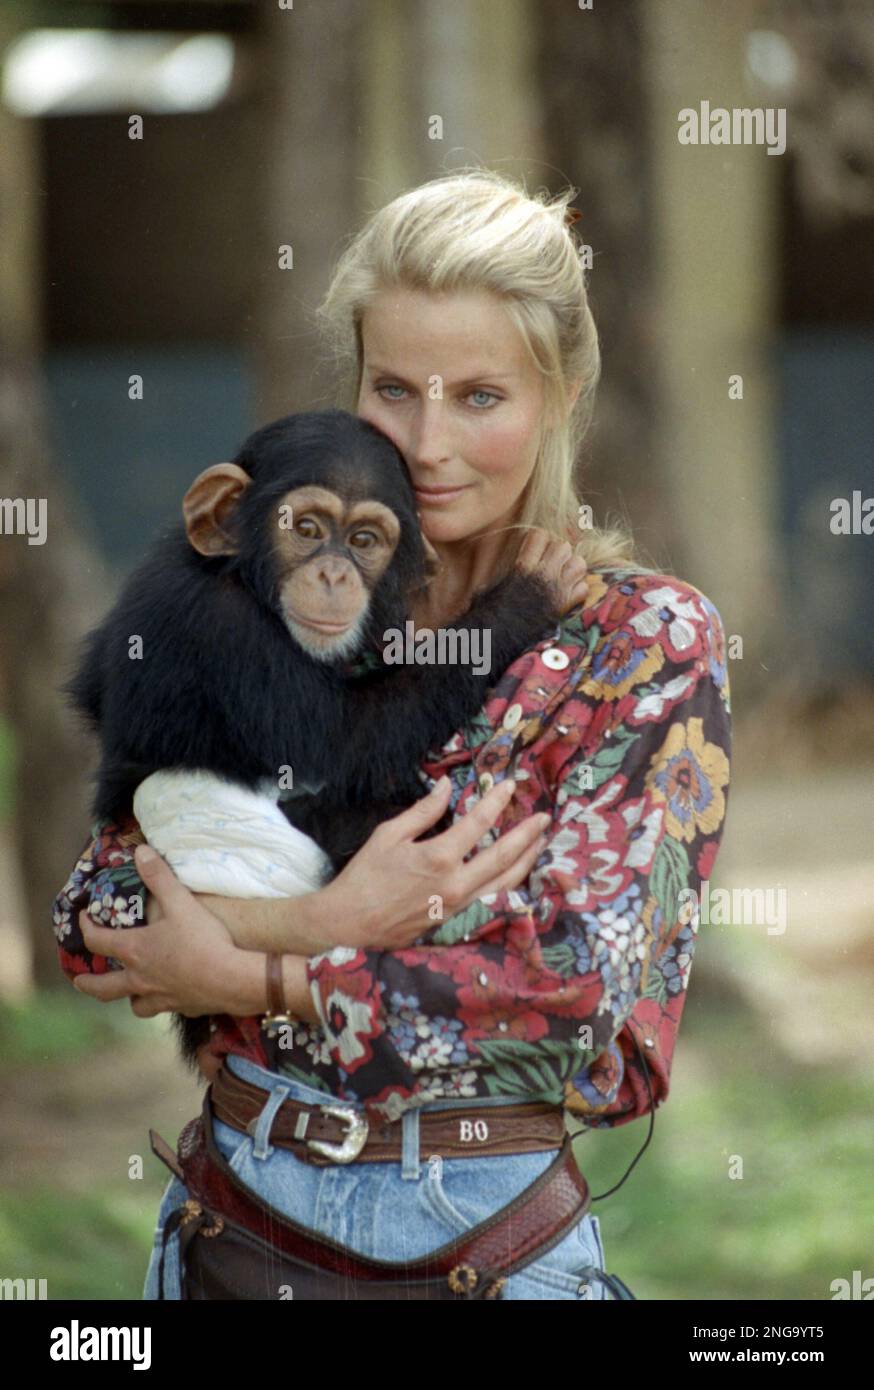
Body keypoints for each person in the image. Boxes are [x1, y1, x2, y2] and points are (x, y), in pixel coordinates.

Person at [52, 167, 732, 1301]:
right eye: (393, 389)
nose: (425, 443)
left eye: (478, 395)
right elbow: (100, 914)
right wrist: (334, 917)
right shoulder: (292, 597)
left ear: (559, 392)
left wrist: (254, 969)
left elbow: (568, 1006)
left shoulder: (641, 641)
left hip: (484, 1243)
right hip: (234, 1227)